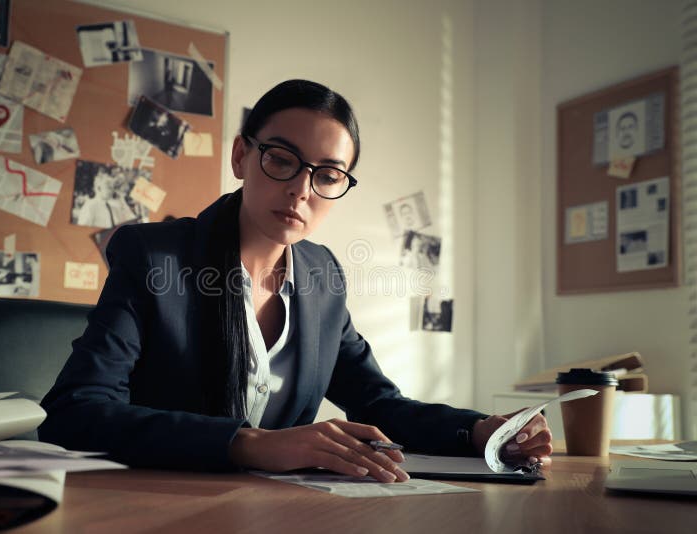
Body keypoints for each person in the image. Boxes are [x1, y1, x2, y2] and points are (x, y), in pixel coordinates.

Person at [40, 80, 552, 482]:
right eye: (282, 160)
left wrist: (481, 432)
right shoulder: (154, 257)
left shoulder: (322, 276)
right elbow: (73, 413)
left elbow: (378, 405)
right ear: (242, 156)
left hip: (279, 510)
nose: (301, 189)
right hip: (161, 506)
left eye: (327, 175)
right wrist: (251, 443)